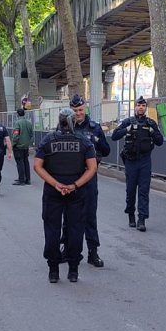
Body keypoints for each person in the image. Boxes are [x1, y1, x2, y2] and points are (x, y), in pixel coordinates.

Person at [34, 108, 98, 283]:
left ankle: (53, 270)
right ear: (72, 121)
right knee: (76, 230)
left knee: (52, 230)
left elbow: (37, 166)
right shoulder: (83, 141)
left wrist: (55, 184)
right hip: (76, 192)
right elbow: (92, 168)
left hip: (53, 192)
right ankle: (73, 270)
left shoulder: (49, 140)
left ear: (59, 120)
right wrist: (74, 185)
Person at [111, 96, 164, 232]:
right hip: (131, 161)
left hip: (145, 161)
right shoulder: (128, 121)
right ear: (135, 107)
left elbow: (160, 141)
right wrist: (127, 129)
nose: (141, 107)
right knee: (130, 191)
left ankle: (142, 219)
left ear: (146, 108)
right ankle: (131, 216)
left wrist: (152, 132)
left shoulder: (151, 123)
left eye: (143, 105)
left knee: (143, 191)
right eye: (138, 105)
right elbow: (114, 136)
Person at [70, 94, 111, 266]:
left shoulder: (94, 128)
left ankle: (92, 252)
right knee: (70, 216)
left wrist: (97, 140)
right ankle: (68, 249)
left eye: (80, 110)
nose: (78, 113)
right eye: (74, 111)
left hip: (88, 177)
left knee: (89, 216)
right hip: (70, 176)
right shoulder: (64, 126)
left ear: (85, 108)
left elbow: (106, 150)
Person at [11, 108, 34, 186]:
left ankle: (21, 179)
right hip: (26, 146)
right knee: (26, 161)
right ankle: (27, 179)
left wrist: (13, 144)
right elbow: (31, 134)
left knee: (19, 162)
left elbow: (16, 135)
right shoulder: (29, 123)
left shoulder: (17, 123)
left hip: (18, 145)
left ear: (17, 114)